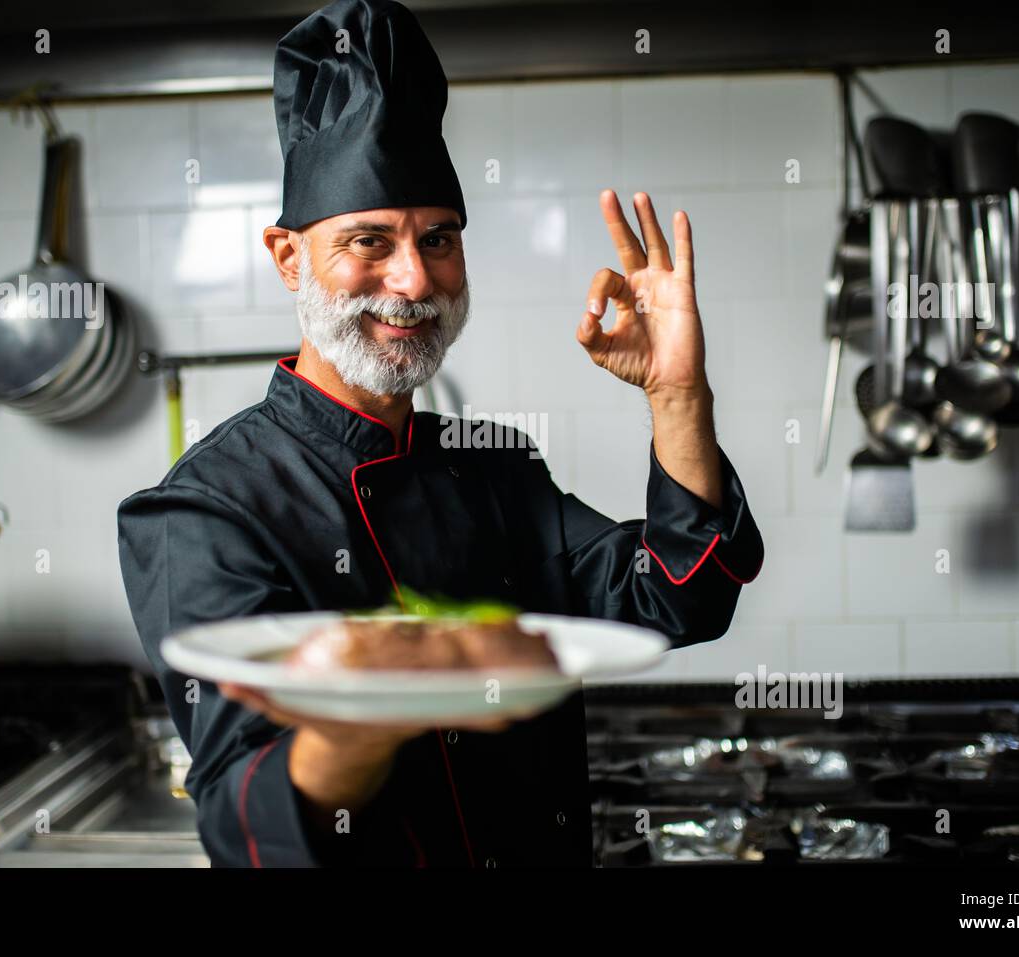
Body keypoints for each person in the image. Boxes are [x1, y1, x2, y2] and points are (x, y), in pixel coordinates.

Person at [116, 0, 764, 868]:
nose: (414, 277)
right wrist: (365, 708)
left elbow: (677, 596)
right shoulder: (204, 512)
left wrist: (678, 392)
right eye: (369, 240)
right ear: (288, 259)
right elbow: (246, 822)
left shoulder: (491, 468)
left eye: (440, 238)